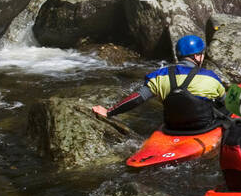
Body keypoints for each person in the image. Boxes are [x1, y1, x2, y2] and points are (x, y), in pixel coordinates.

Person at [92, 34, 228, 135]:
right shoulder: (210, 77)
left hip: (173, 129)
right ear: (197, 56)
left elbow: (137, 98)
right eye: (202, 54)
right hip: (204, 128)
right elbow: (226, 103)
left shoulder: (159, 75)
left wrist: (109, 112)